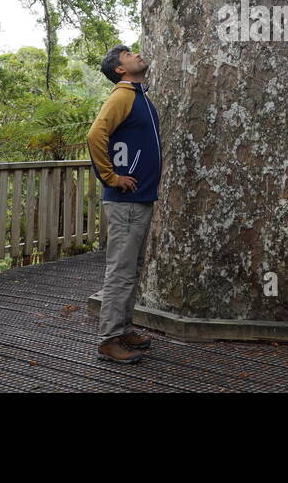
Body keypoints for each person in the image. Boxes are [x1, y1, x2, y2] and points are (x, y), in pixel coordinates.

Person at [87, 45, 162, 365]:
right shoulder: (123, 95)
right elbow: (95, 135)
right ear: (120, 69)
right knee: (121, 269)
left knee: (132, 267)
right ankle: (108, 339)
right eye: (129, 54)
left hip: (139, 198)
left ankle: (123, 329)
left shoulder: (139, 95)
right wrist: (111, 177)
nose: (137, 55)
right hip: (126, 199)